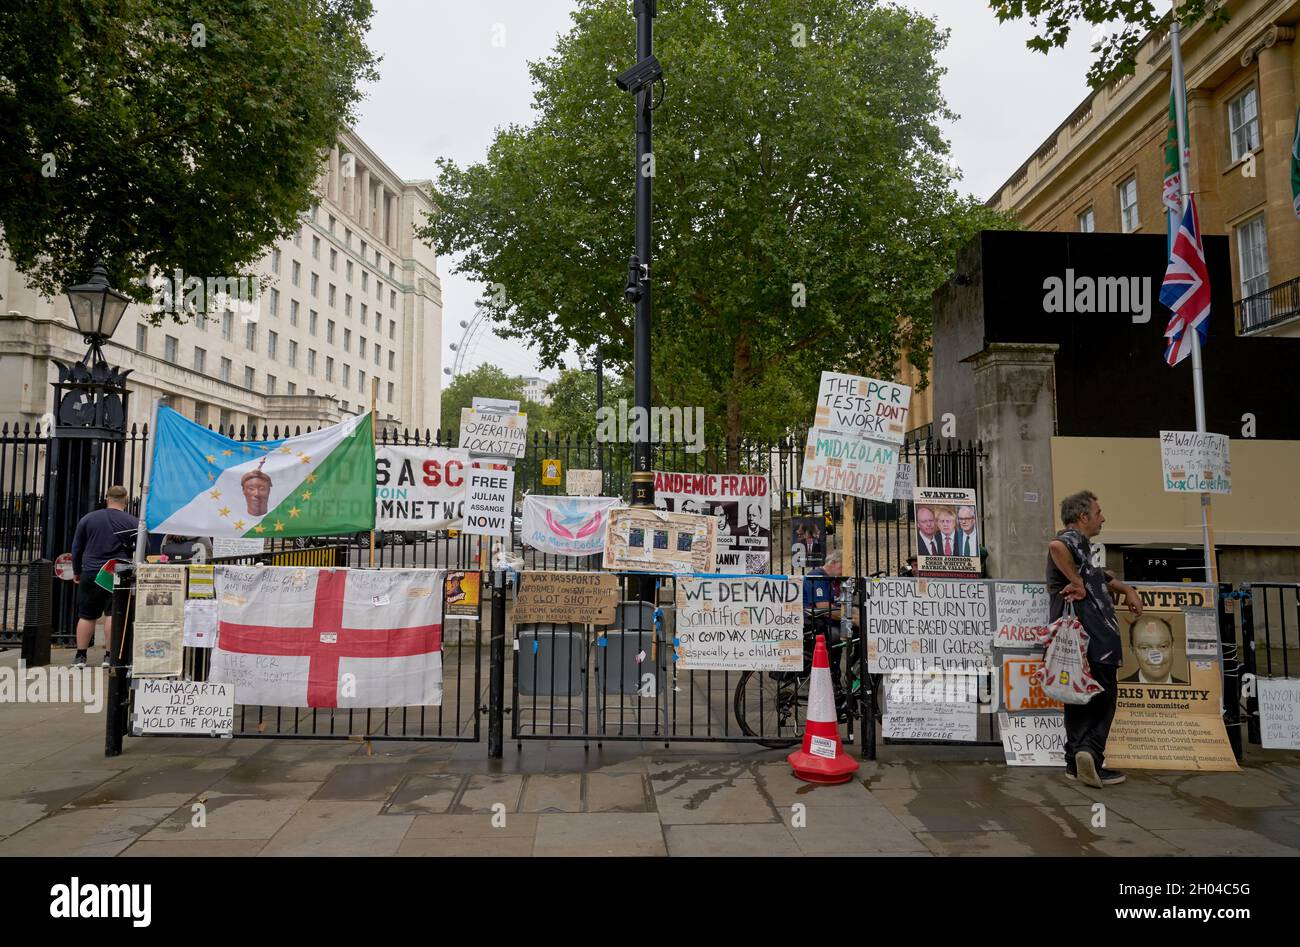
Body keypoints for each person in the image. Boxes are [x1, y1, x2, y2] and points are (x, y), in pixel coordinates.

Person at [1046, 489, 1143, 788]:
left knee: (1079, 699)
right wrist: (1076, 583)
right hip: (1093, 639)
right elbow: (1055, 546)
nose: (1103, 518)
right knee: (1104, 699)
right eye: (1098, 513)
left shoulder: (1083, 550)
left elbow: (1100, 575)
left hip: (1077, 643)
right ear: (1083, 516)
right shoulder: (1071, 540)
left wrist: (1126, 590)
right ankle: (1091, 754)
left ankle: (1075, 762)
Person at [70, 485, 139, 668]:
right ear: (125, 500)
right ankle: (109, 656)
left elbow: (76, 548)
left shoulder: (88, 519)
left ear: (107, 498)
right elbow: (143, 549)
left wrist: (77, 571)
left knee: (86, 615)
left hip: (91, 571)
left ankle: (80, 656)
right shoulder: (132, 522)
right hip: (117, 572)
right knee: (112, 614)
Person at [1120, 617, 1188, 684]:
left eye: (1163, 646)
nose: (1156, 657)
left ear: (1172, 647)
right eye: (1145, 648)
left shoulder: (1189, 690)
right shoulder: (1118, 688)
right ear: (1132, 650)